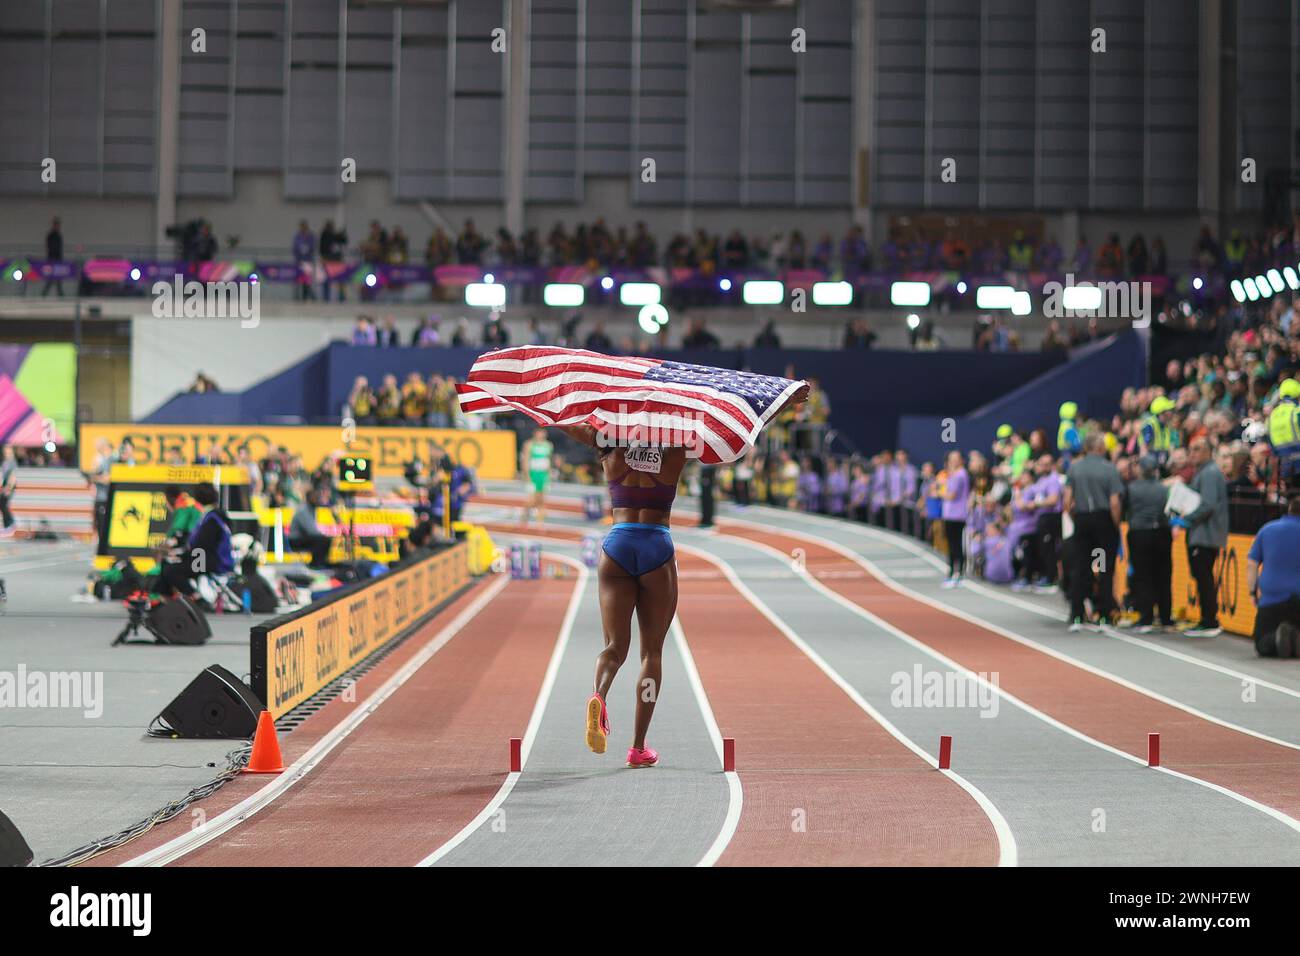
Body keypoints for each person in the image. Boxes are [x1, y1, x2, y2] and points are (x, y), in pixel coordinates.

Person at [563, 389, 804, 768]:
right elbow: (737, 437)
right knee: (651, 652)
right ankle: (638, 745)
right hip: (656, 546)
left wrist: (524, 401)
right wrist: (781, 407)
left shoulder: (608, 443)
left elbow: (563, 422)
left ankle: (599, 695)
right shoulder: (676, 447)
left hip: (617, 544)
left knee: (614, 647)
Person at [1062, 433, 1123, 631]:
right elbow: (1114, 502)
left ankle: (1076, 616)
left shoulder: (1075, 467)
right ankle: (1104, 616)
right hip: (1103, 522)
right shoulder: (1108, 468)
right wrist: (1115, 525)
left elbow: (1067, 501)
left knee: (1081, 568)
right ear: (1098, 447)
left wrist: (1076, 518)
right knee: (1103, 568)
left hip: (1082, 521)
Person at [1179, 436, 1229, 637]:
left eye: (1197, 449)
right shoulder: (1204, 472)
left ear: (1209, 451)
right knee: (1202, 576)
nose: (1192, 453)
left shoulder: (1209, 473)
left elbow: (1207, 504)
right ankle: (1207, 618)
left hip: (1205, 534)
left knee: (1204, 576)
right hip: (1202, 533)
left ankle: (1210, 620)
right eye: (1191, 449)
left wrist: (1187, 519)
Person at [1124, 456, 1174, 632]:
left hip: (1139, 533)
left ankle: (1146, 617)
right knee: (1163, 576)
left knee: (1143, 576)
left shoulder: (1132, 488)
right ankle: (1166, 618)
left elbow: (1125, 509)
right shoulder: (1164, 489)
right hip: (1161, 532)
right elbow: (1170, 510)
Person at [1246, 495, 1300, 657]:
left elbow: (1252, 564)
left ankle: (1276, 639)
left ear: (1289, 509)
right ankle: (1296, 636)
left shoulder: (1268, 529)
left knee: (1262, 642)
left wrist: (1252, 592)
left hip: (1272, 599)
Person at [940, 450, 969, 587]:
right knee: (951, 544)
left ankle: (958, 573)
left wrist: (939, 492)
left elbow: (951, 495)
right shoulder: (953, 475)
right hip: (950, 514)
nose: (953, 461)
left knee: (955, 544)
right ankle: (953, 572)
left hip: (957, 515)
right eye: (951, 459)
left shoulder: (960, 475)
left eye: (956, 458)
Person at [289, 490, 335, 567]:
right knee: (323, 540)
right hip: (296, 540)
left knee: (322, 540)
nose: (317, 499)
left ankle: (319, 562)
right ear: (309, 498)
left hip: (303, 538)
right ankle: (317, 564)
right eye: (315, 497)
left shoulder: (311, 510)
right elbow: (311, 530)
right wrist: (323, 535)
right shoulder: (304, 510)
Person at [520, 428, 554, 526]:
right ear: (535, 433)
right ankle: (524, 518)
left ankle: (539, 523)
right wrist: (526, 475)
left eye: (542, 432)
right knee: (531, 500)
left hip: (543, 475)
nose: (540, 434)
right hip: (533, 474)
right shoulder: (529, 444)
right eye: (538, 432)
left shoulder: (548, 445)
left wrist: (549, 475)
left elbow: (549, 460)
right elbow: (525, 460)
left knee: (541, 500)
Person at [0, 444, 16, 536]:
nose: (6, 453)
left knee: (3, 504)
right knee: (2, 504)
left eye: (8, 451)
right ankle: (8, 525)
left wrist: (9, 487)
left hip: (9, 487)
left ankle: (10, 524)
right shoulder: (5, 462)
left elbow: (12, 476)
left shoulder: (11, 462)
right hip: (5, 486)